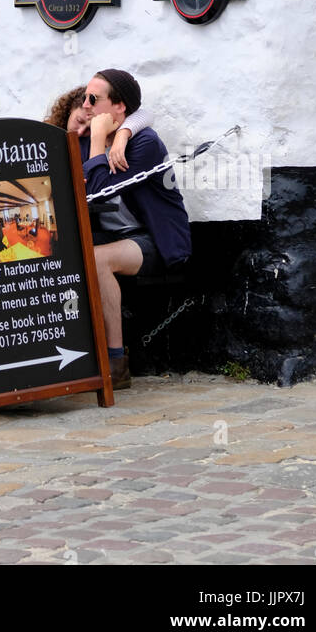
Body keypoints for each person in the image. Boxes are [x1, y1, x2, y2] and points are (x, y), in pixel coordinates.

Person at [80, 68, 191, 390]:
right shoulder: (104, 137)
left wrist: (102, 139)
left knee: (96, 259)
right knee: (58, 250)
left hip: (152, 240)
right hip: (115, 236)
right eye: (83, 98)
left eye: (93, 99)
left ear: (119, 107)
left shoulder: (144, 143)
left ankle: (116, 362)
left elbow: (97, 191)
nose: (86, 105)